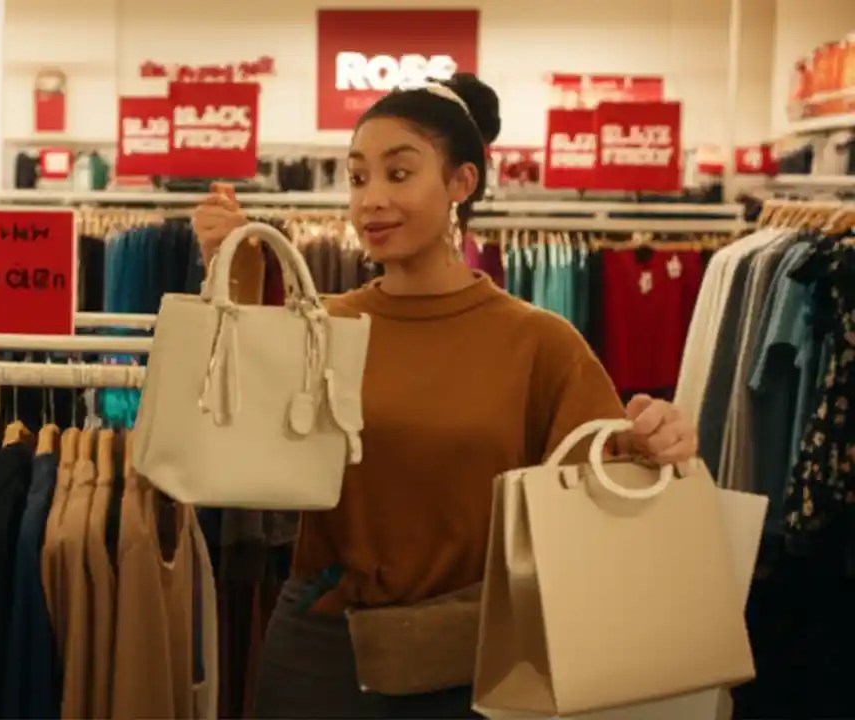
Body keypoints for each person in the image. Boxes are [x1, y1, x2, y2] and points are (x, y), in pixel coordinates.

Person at [191, 74, 699, 719]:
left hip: (472, 651)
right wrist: (229, 270)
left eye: (398, 175)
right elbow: (240, 444)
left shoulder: (538, 343)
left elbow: (606, 479)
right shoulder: (319, 326)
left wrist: (655, 438)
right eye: (357, 178)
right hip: (322, 646)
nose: (371, 200)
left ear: (461, 183)